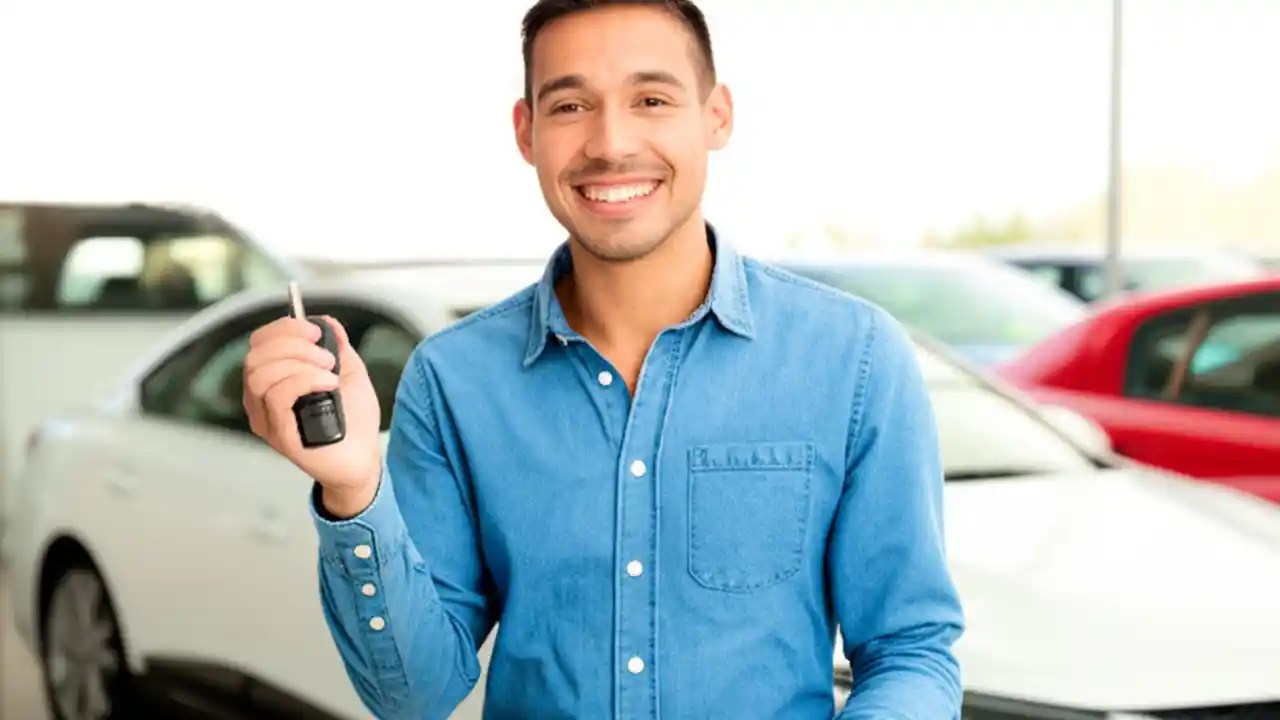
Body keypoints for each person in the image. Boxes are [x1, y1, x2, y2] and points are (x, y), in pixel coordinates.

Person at [241, 0, 965, 717]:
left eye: (651, 99)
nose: (611, 142)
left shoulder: (854, 359)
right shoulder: (453, 380)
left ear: (717, 115)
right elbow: (414, 696)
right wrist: (354, 488)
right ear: (526, 132)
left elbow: (911, 651)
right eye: (570, 106)